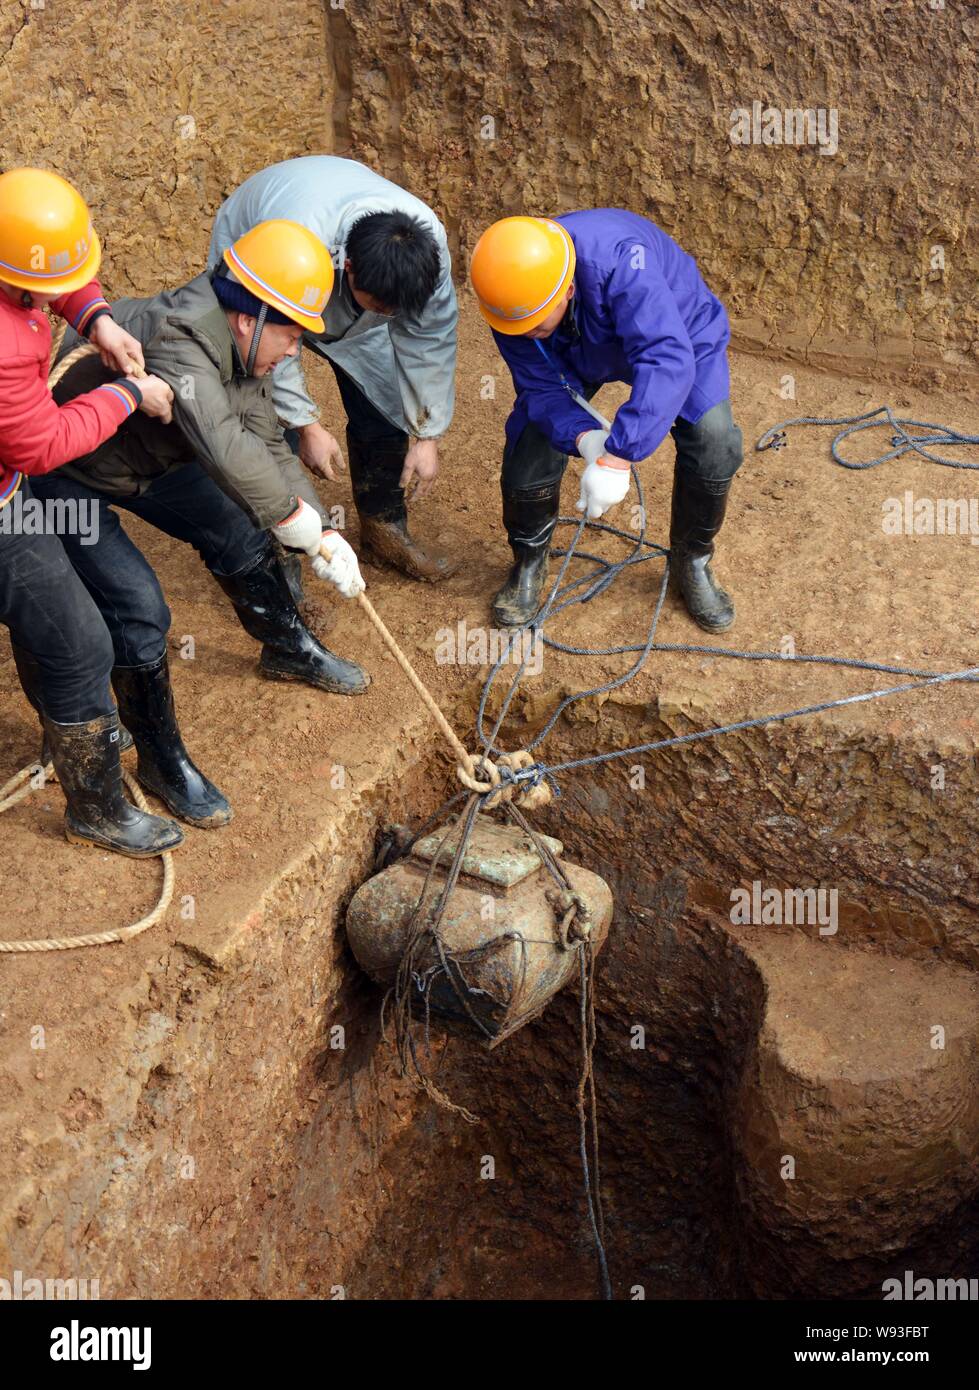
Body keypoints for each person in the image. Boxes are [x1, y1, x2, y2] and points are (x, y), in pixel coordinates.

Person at [37, 220, 367, 830]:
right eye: (291, 336)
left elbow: (267, 438)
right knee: (137, 605)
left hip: (151, 459)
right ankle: (162, 761)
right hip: (67, 474)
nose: (293, 352)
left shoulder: (243, 347)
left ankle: (288, 651)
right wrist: (300, 524)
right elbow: (223, 446)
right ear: (251, 319)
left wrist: (321, 529)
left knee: (241, 531)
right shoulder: (180, 336)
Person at [0, 167, 182, 856]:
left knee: (47, 622)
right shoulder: (8, 344)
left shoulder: (11, 227)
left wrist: (95, 318)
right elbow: (41, 445)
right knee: (81, 642)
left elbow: (45, 262)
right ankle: (98, 807)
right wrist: (126, 396)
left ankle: (68, 731)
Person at [469, 212, 743, 630]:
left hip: (680, 335)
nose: (523, 334)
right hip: (574, 347)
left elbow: (665, 359)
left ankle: (693, 559)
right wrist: (584, 439)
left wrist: (618, 457)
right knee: (530, 442)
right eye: (515, 328)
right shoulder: (511, 301)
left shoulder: (620, 266)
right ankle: (528, 560)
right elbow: (542, 388)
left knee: (715, 440)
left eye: (533, 324)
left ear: (568, 288)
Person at [208, 155, 459, 581]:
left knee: (385, 400)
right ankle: (278, 559)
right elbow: (272, 338)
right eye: (381, 308)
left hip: (342, 269)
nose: (389, 314)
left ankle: (384, 531)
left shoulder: (424, 251)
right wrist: (306, 425)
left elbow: (429, 337)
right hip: (267, 266)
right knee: (263, 413)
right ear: (349, 269)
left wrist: (427, 433)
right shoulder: (296, 243)